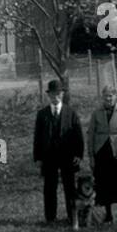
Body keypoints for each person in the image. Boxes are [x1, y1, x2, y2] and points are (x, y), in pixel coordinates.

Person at [33, 79, 84, 224]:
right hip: (49, 157)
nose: (56, 97)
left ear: (62, 94)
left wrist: (78, 155)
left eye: (58, 94)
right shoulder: (42, 114)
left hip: (67, 156)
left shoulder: (71, 113)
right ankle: (50, 217)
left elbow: (78, 136)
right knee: (49, 187)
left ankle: (71, 216)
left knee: (69, 187)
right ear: (49, 96)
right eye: (53, 94)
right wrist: (38, 157)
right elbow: (37, 137)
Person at [89, 84, 117, 223]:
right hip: (102, 154)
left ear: (115, 96)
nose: (108, 99)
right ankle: (108, 214)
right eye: (106, 96)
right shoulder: (96, 113)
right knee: (104, 184)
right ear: (102, 97)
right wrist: (91, 156)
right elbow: (90, 135)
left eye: (111, 96)